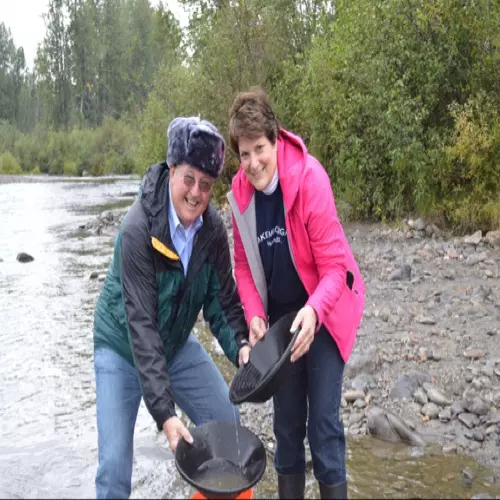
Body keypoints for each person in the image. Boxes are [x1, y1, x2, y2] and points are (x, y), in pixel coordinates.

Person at [93, 116, 251, 499]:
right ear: (172, 169)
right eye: (189, 179)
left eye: (206, 184)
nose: (196, 193)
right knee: (114, 470)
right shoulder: (137, 229)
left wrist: (243, 346)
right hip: (122, 348)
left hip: (176, 346)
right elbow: (143, 330)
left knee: (229, 430)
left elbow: (223, 302)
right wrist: (166, 414)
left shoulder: (212, 230)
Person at [227, 88, 365, 500]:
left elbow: (335, 268)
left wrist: (314, 311)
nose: (253, 163)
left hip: (325, 306)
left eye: (260, 149)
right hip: (281, 320)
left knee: (323, 428)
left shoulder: (309, 178)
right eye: (244, 154)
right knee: (286, 430)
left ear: (275, 138)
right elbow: (242, 267)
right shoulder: (239, 194)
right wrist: (254, 314)